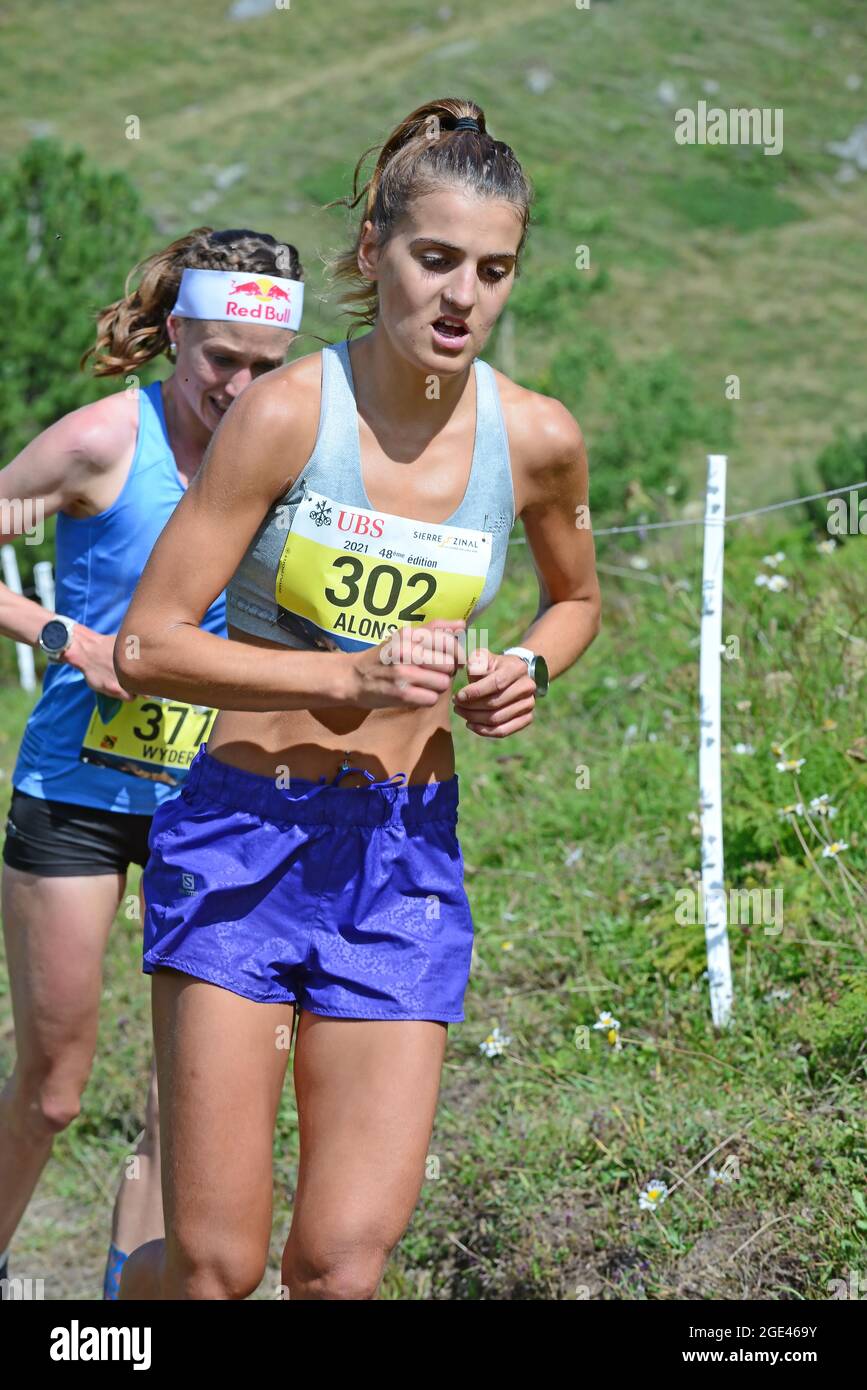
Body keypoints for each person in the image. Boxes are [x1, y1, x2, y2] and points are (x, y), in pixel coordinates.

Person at [114, 98, 601, 1302]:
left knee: (339, 1265)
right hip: (240, 833)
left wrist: (524, 669)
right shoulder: (288, 415)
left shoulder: (536, 439)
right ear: (375, 246)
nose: (461, 297)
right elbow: (149, 644)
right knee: (217, 1265)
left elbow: (575, 598)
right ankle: (123, 1300)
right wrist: (346, 672)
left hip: (402, 855)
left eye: (493, 271)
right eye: (435, 259)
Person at [0, 226, 304, 1298]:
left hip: (215, 800)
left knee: (191, 1099)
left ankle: (127, 1309)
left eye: (268, 366)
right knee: (53, 1086)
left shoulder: (290, 450)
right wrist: (60, 636)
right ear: (176, 334)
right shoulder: (99, 442)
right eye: (223, 358)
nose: (242, 386)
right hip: (77, 794)